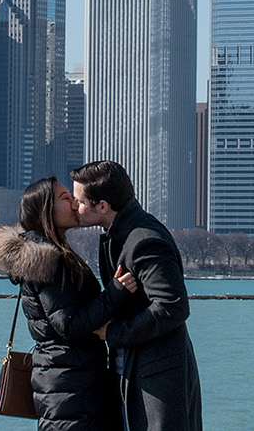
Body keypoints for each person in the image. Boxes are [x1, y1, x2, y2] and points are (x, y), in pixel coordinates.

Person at [0, 176, 137, 431]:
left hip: (69, 382)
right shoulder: (46, 259)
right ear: (45, 210)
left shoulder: (52, 253)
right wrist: (116, 292)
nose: (75, 203)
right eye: (66, 198)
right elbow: (69, 325)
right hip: (70, 388)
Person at [70, 160, 202, 431]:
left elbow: (173, 307)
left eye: (79, 200)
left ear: (103, 206)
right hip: (139, 370)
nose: (75, 206)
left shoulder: (143, 239)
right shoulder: (120, 233)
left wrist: (115, 333)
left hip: (158, 378)